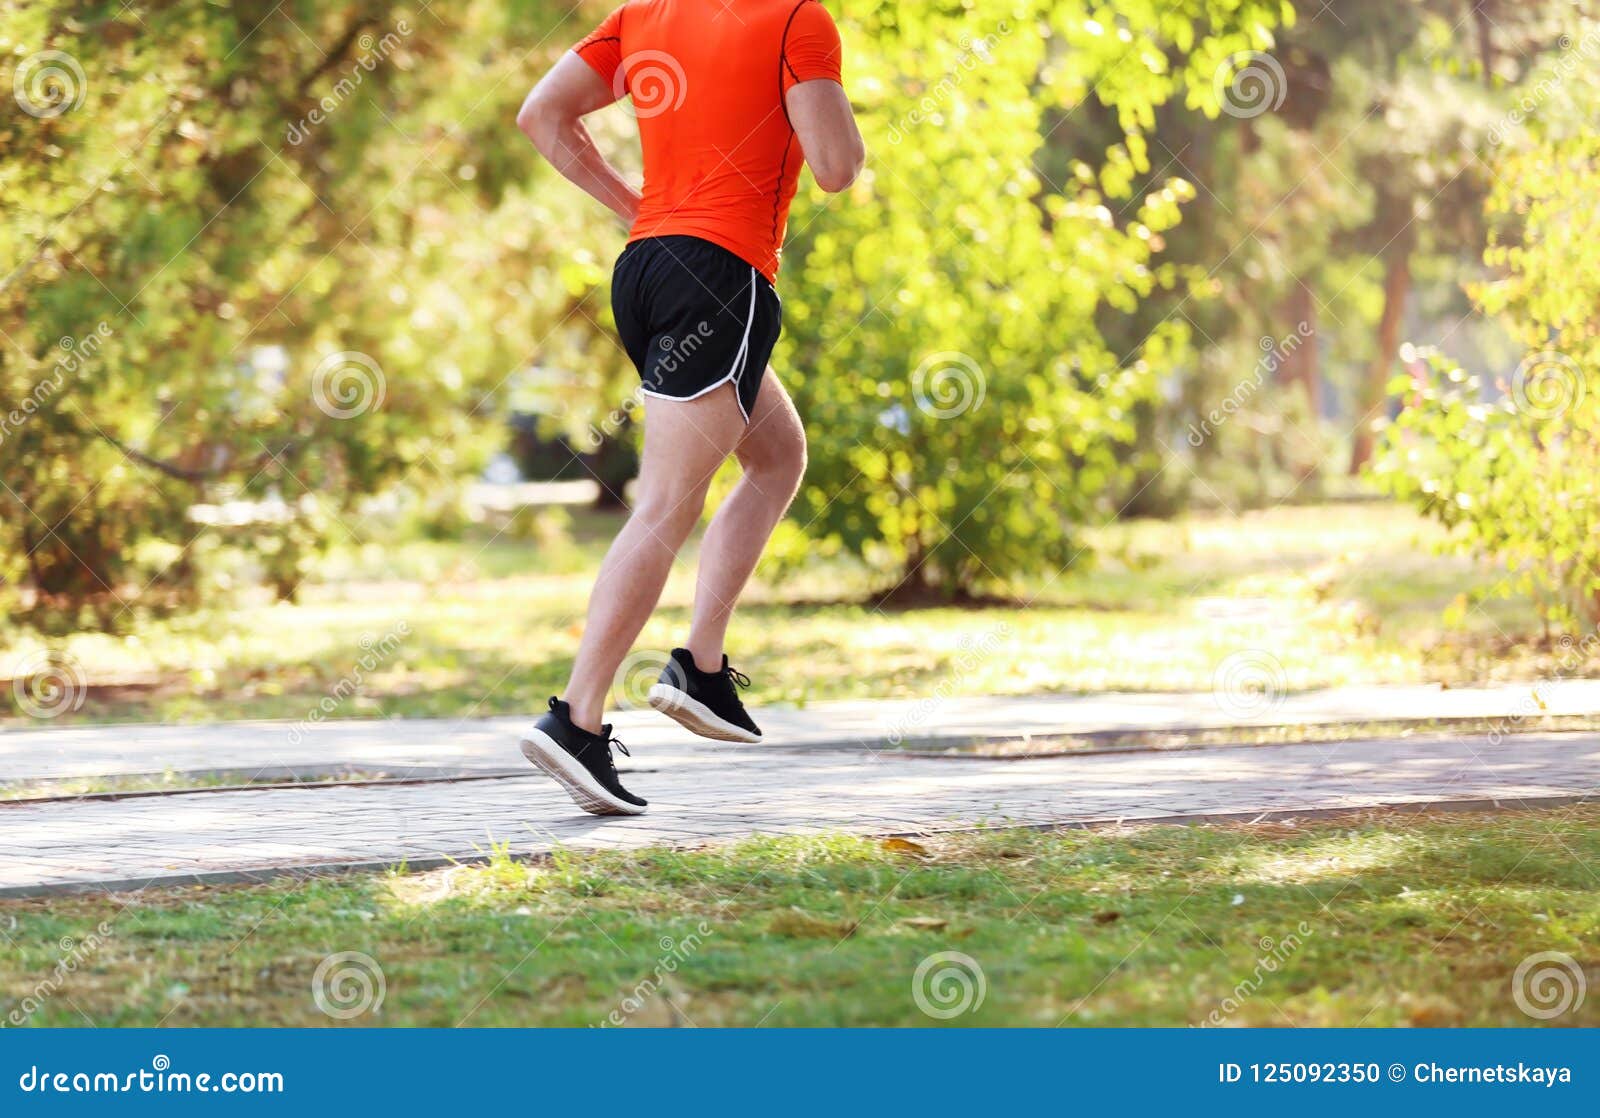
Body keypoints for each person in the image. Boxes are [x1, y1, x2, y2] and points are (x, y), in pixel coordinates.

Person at [513, 1, 866, 815]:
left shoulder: (644, 13)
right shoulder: (798, 19)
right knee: (666, 506)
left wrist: (634, 204)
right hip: (723, 276)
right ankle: (576, 719)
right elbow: (837, 168)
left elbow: (543, 114)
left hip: (647, 268)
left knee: (777, 456)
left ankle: (699, 668)